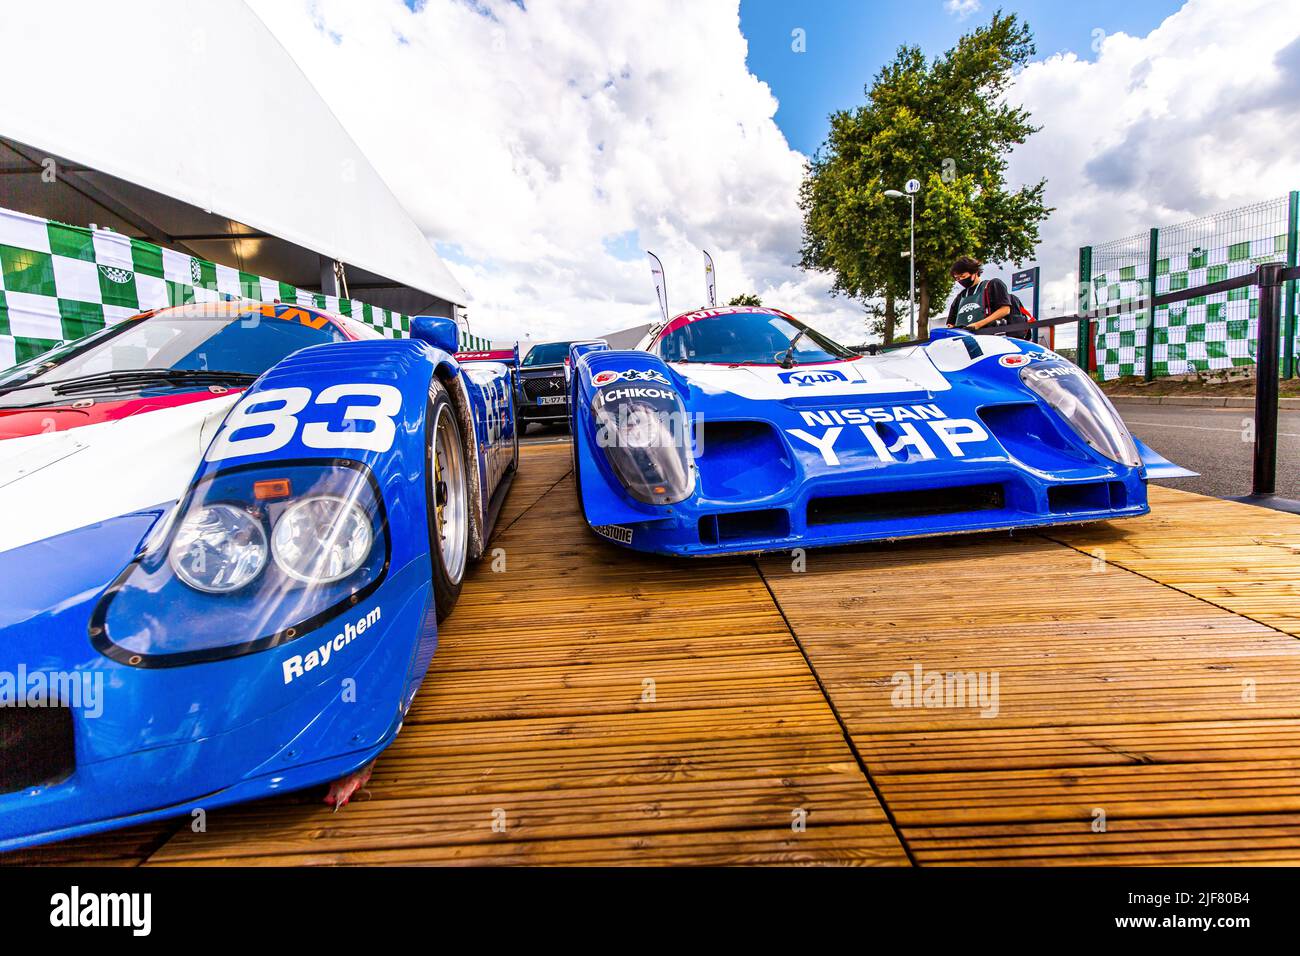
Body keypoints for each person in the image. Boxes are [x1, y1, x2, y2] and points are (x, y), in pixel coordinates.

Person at [946, 256, 1012, 332]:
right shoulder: (960, 297)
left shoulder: (992, 285)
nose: (960, 280)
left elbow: (1005, 310)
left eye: (962, 276)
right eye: (957, 278)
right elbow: (951, 324)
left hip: (991, 336)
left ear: (975, 272)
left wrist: (978, 324)